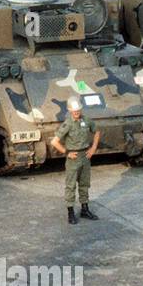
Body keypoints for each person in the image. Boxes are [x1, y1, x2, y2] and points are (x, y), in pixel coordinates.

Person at [51, 96, 100, 225]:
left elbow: (97, 131)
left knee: (84, 184)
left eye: (78, 110)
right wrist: (66, 152)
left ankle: (85, 209)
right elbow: (54, 142)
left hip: (85, 156)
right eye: (74, 110)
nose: (76, 112)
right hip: (73, 158)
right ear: (69, 110)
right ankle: (70, 212)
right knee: (71, 186)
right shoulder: (68, 124)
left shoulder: (86, 120)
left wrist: (93, 148)